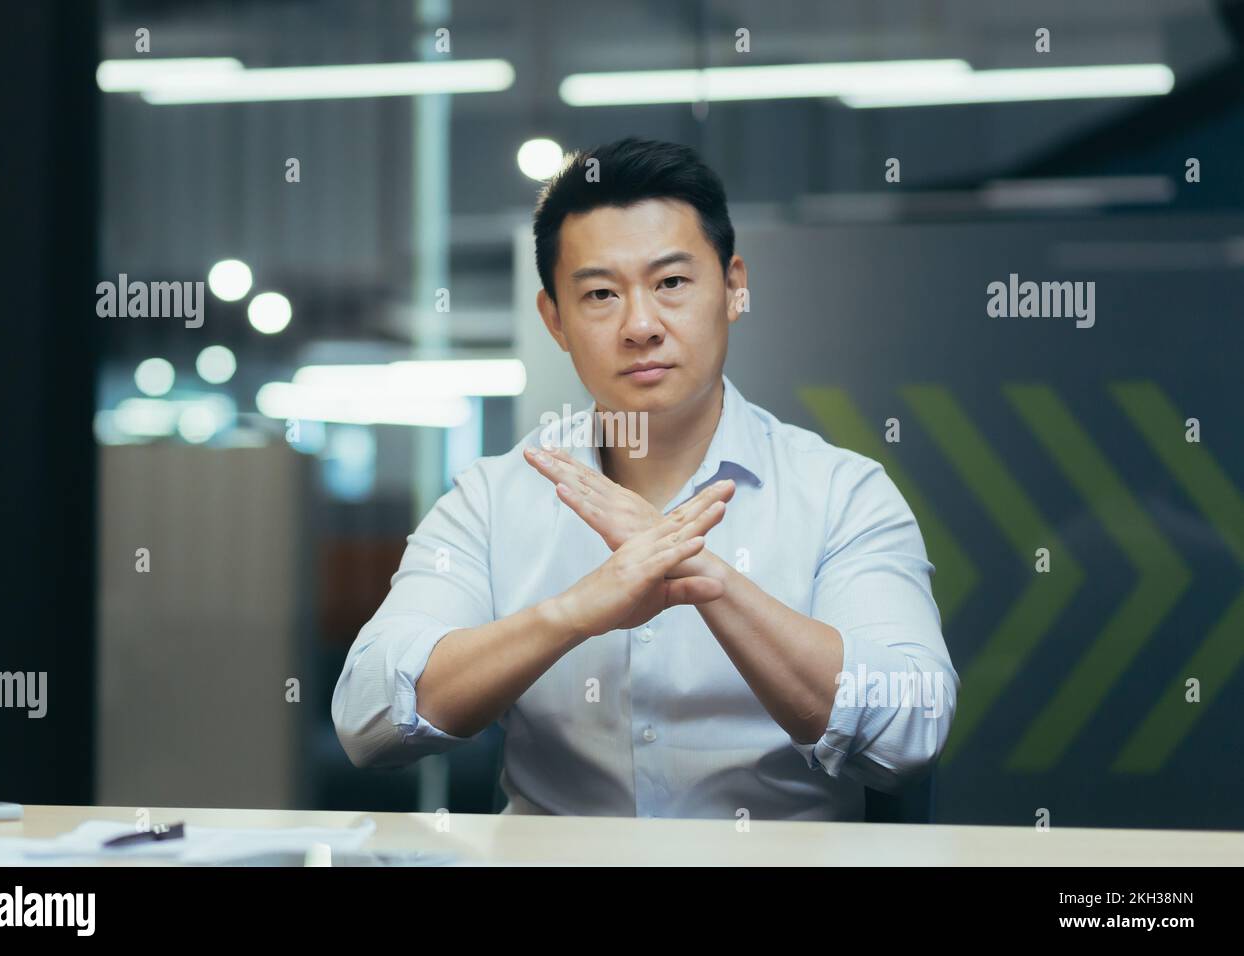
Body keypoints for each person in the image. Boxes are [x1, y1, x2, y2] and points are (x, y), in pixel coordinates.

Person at [332, 137, 959, 820]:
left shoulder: (840, 493)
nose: (640, 325)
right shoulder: (492, 498)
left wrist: (705, 577)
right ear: (555, 320)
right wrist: (572, 613)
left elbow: (912, 728)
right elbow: (367, 718)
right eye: (600, 293)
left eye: (671, 283)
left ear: (734, 287)